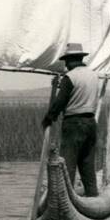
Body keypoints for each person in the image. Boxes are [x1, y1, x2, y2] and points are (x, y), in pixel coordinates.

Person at [42, 41, 99, 196]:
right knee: (87, 164)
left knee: (68, 164)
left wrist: (49, 117)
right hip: (91, 123)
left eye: (66, 62)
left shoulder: (70, 77)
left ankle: (67, 199)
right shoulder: (93, 75)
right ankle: (93, 196)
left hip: (74, 123)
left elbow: (60, 102)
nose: (65, 65)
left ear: (71, 60)